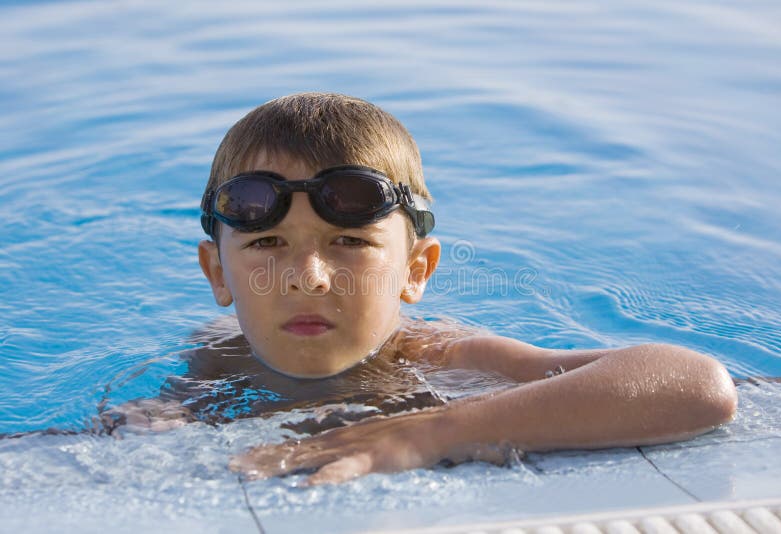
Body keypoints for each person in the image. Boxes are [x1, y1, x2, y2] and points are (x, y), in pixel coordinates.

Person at [111, 92, 738, 485]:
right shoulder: (216, 355)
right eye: (267, 244)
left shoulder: (438, 357)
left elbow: (695, 384)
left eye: (349, 243)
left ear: (416, 270)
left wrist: (428, 431)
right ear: (218, 272)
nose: (307, 275)